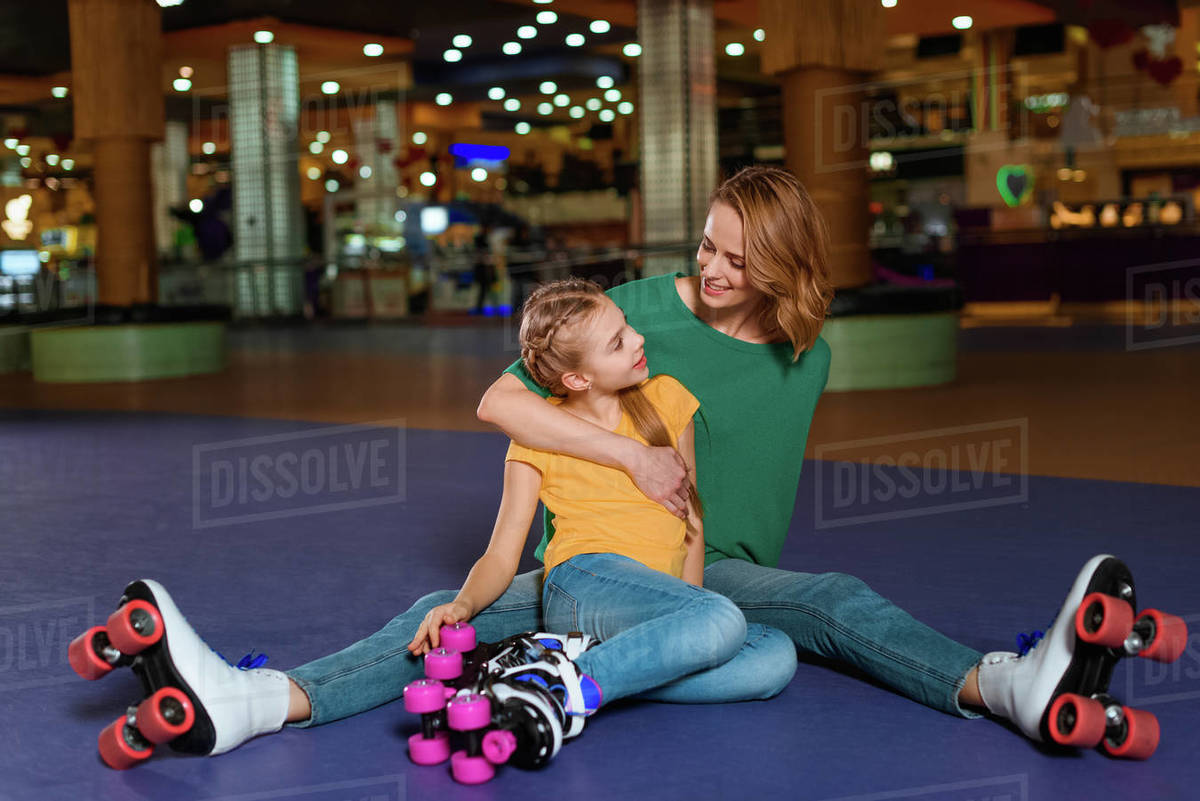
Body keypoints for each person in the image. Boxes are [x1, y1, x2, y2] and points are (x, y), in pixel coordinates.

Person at [98, 166, 1137, 757]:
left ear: (786, 268)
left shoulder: (804, 354)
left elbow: (723, 504)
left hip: (702, 572)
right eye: (708, 246)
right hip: (599, 564)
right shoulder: (634, 311)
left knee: (800, 631)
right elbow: (502, 397)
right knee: (445, 613)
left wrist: (681, 531)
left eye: (741, 259)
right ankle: (256, 701)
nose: (714, 271)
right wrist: (624, 462)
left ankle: (1002, 685)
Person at [408, 278, 796, 729]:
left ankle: (565, 675)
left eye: (627, 326)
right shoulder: (539, 437)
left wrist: (695, 605)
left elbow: (690, 522)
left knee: (774, 657)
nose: (638, 339)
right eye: (617, 343)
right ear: (577, 378)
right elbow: (500, 553)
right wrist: (464, 604)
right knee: (720, 620)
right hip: (585, 584)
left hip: (653, 602)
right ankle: (564, 689)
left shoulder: (668, 401)